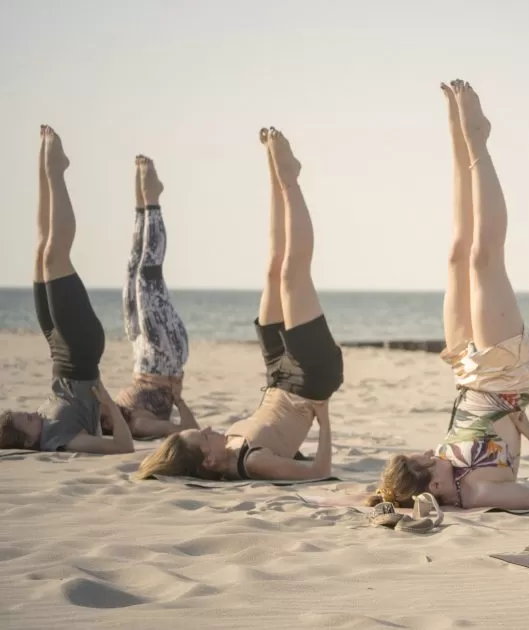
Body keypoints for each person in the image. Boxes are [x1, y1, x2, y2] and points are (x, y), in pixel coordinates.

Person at [368, 80, 529, 511]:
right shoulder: (479, 491)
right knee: (483, 258)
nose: (432, 454)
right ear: (434, 489)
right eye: (429, 463)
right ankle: (478, 142)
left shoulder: (434, 473)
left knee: (457, 255)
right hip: (505, 377)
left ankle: (459, 141)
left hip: (465, 373)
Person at [134, 128, 341, 481]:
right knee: (293, 273)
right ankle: (290, 181)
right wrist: (324, 422)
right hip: (311, 380)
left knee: (274, 269)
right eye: (204, 437)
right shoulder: (253, 462)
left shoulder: (221, 447)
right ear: (210, 462)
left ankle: (277, 176)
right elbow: (319, 471)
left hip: (277, 375)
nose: (210, 428)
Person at [0, 126, 134, 454]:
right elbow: (123, 446)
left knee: (39, 251)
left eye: (23, 413)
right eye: (27, 420)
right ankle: (56, 172)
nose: (32, 413)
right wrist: (108, 403)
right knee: (54, 254)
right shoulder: (61, 439)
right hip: (81, 351)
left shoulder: (44, 424)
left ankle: (44, 168)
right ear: (30, 440)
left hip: (57, 351)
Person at [107, 155, 198, 439]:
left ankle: (140, 201)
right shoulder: (138, 425)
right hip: (165, 354)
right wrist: (177, 396)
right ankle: (154, 201)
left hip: (140, 349)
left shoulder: (112, 411)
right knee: (148, 273)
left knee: (132, 269)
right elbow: (186, 429)